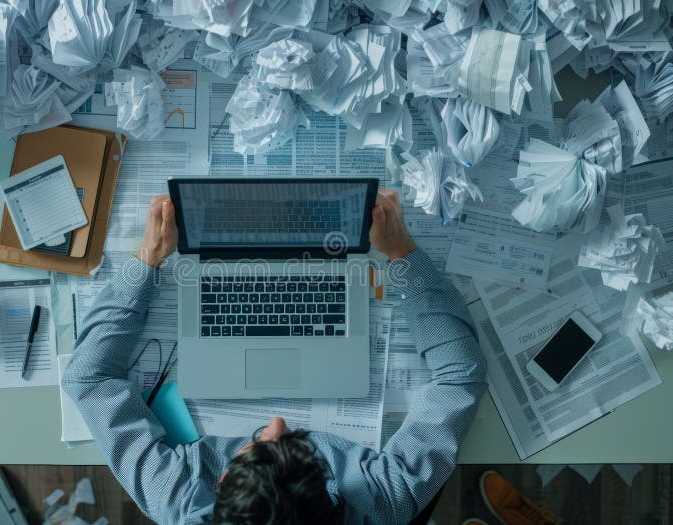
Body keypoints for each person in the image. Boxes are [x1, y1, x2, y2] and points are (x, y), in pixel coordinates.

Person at [62, 189, 487, 524]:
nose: (278, 422)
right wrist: (401, 253)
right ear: (333, 495)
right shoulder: (381, 499)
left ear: (223, 480)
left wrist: (148, 259)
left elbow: (89, 378)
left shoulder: (179, 498)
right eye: (301, 451)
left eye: (260, 444)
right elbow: (459, 377)